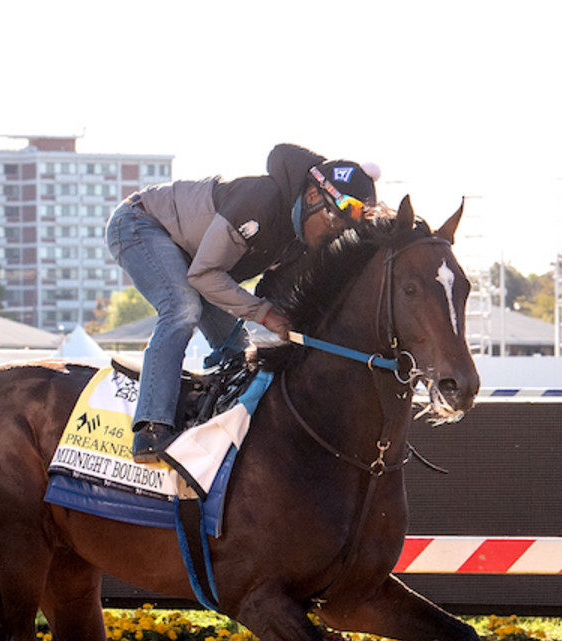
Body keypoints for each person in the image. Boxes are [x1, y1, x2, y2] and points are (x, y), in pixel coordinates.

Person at [105, 144, 380, 463]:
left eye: (348, 229)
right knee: (183, 308)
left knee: (237, 346)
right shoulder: (260, 202)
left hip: (193, 259)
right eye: (337, 221)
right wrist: (265, 315)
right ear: (313, 197)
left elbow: (271, 301)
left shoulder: (298, 245)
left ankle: (214, 423)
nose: (337, 234)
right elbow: (206, 276)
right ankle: (151, 428)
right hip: (139, 222)